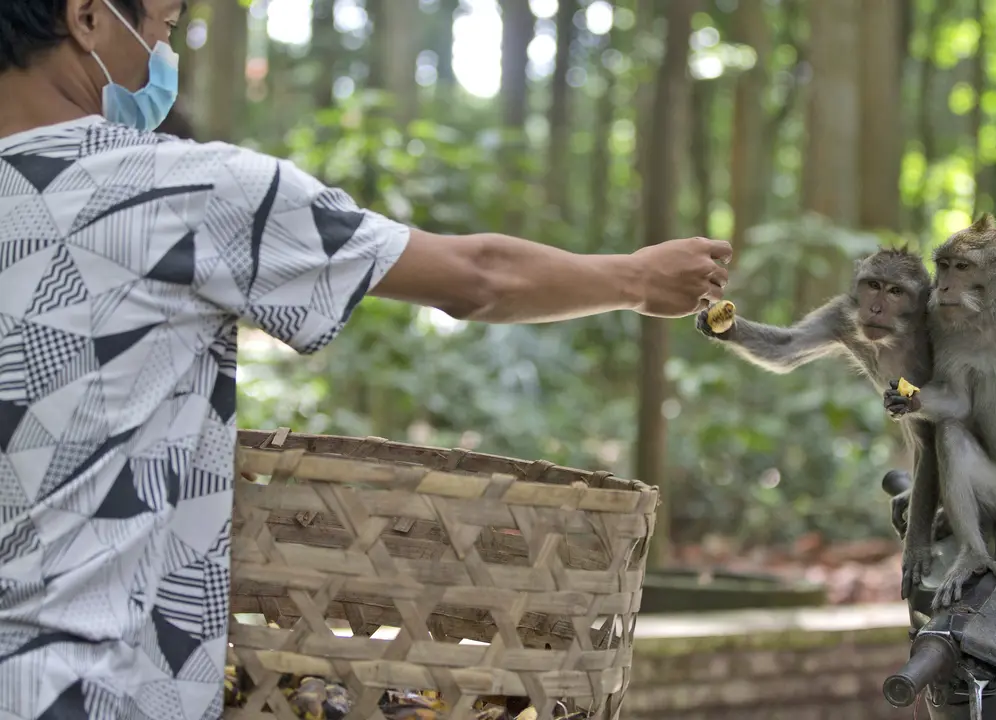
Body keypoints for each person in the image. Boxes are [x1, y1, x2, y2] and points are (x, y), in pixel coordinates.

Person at [0, 1, 732, 717]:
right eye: (165, 25)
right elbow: (477, 278)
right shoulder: (183, 189)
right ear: (87, 18)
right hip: (88, 687)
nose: (166, 55)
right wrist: (636, 279)